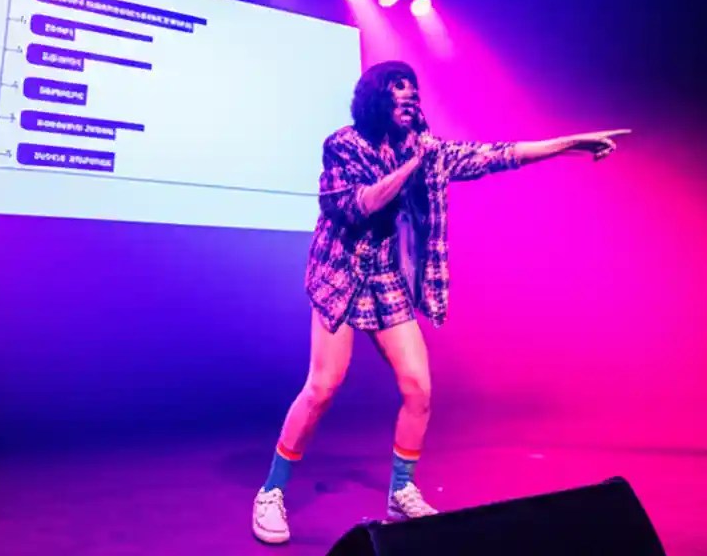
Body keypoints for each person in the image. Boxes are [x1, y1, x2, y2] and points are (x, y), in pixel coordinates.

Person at [252, 60, 629, 544]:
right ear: (374, 100)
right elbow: (358, 204)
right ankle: (272, 491)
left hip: (386, 276)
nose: (409, 99)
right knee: (324, 385)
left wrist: (568, 144)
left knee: (418, 387)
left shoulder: (426, 150)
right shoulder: (343, 145)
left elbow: (496, 155)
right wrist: (413, 164)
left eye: (413, 92)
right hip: (340, 272)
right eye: (397, 92)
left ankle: (401, 493)